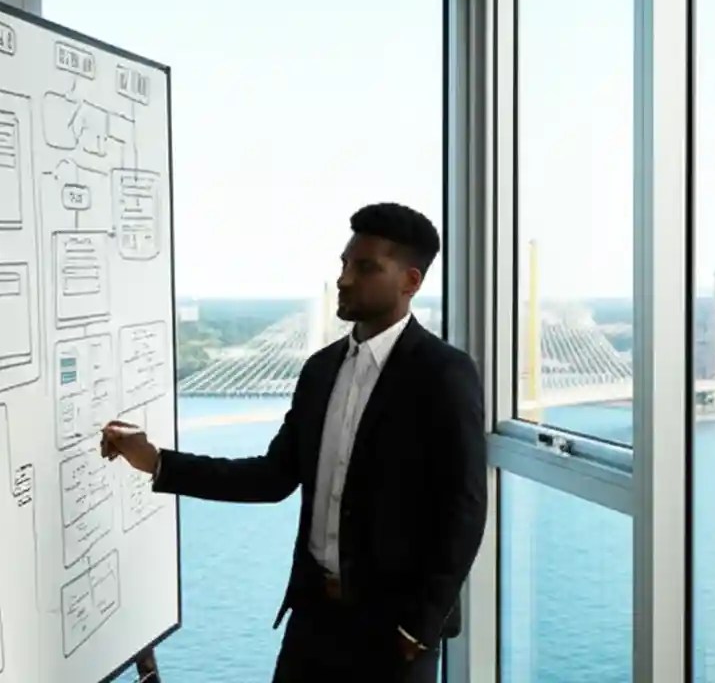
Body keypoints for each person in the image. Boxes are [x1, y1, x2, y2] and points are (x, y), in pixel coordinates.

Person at [100, 203, 487, 682]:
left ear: (410, 281)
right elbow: (271, 477)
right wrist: (157, 461)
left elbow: (465, 509)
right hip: (313, 621)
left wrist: (420, 627)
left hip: (395, 634)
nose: (344, 279)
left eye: (365, 268)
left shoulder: (444, 374)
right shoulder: (320, 370)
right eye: (344, 263)